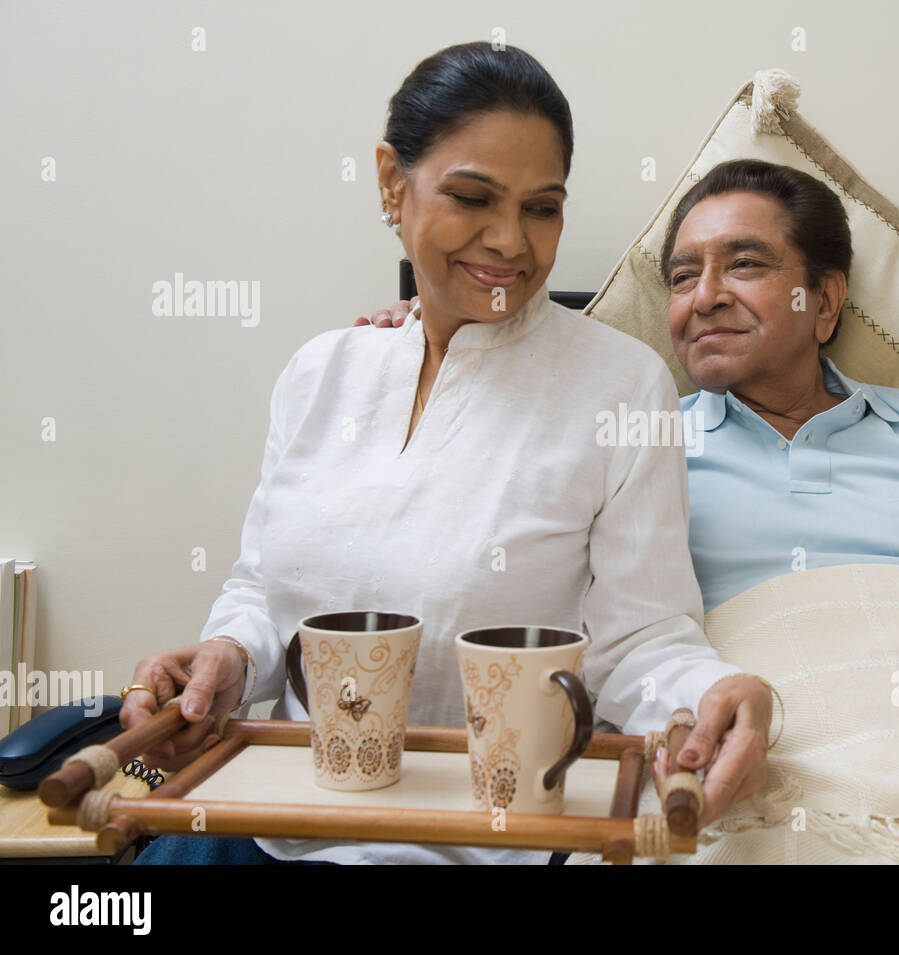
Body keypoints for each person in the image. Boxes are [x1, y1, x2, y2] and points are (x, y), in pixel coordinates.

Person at [365, 158, 899, 864]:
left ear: (825, 301)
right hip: (764, 800)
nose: (702, 294)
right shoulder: (635, 446)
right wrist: (424, 343)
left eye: (744, 263)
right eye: (681, 276)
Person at [122, 43, 772, 866]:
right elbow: (263, 585)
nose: (511, 242)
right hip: (273, 819)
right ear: (393, 182)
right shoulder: (322, 372)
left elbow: (641, 638)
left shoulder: (620, 388)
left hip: (476, 842)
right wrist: (227, 653)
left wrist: (717, 693)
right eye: (472, 197)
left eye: (543, 208)